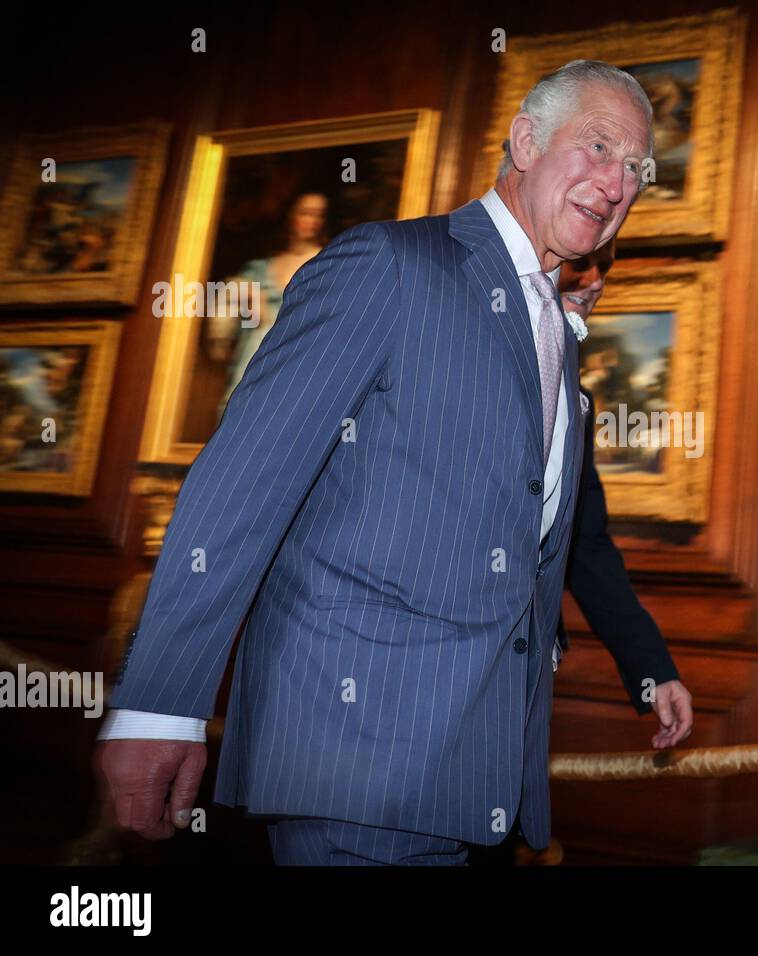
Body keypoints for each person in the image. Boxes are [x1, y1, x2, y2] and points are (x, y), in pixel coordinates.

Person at [94, 59, 689, 866]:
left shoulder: (548, 331)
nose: (617, 181)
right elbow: (243, 484)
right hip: (358, 768)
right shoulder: (389, 266)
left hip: (476, 788)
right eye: (597, 146)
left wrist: (648, 670)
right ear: (524, 141)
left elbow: (564, 549)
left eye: (635, 169)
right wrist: (160, 708)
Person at [552, 238, 689, 740]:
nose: (594, 284)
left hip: (521, 676)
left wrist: (654, 672)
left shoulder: (577, 401)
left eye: (604, 270)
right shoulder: (460, 364)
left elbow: (586, 549)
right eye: (581, 264)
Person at [205, 192, 330, 420]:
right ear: (290, 216)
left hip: (299, 366)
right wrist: (245, 292)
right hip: (253, 369)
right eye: (305, 213)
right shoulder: (260, 269)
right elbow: (222, 321)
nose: (312, 221)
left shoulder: (328, 266)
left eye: (318, 215)